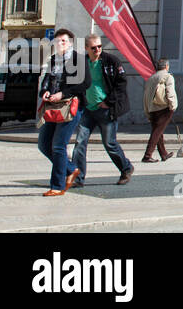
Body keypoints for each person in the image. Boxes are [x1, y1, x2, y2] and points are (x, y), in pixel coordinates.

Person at [71, 34, 134, 187]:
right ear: (86, 48)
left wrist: (108, 101)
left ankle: (126, 168)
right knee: (79, 142)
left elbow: (121, 84)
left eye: (99, 46)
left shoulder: (111, 61)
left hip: (106, 110)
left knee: (109, 143)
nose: (98, 50)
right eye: (94, 48)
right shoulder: (82, 63)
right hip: (88, 109)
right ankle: (79, 178)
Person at [36, 29, 87, 197]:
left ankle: (57, 186)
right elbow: (45, 81)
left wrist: (63, 94)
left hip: (69, 106)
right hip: (52, 107)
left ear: (70, 43)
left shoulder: (78, 60)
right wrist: (44, 91)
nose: (60, 44)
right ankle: (72, 170)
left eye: (63, 41)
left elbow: (85, 83)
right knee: (44, 144)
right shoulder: (53, 61)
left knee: (58, 145)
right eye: (57, 41)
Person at [141, 58, 178, 163]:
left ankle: (164, 154)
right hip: (163, 108)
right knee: (157, 132)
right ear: (166, 66)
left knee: (158, 131)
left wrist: (147, 109)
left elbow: (146, 96)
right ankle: (147, 155)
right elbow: (170, 92)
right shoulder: (168, 77)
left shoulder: (151, 78)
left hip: (152, 109)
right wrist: (173, 106)